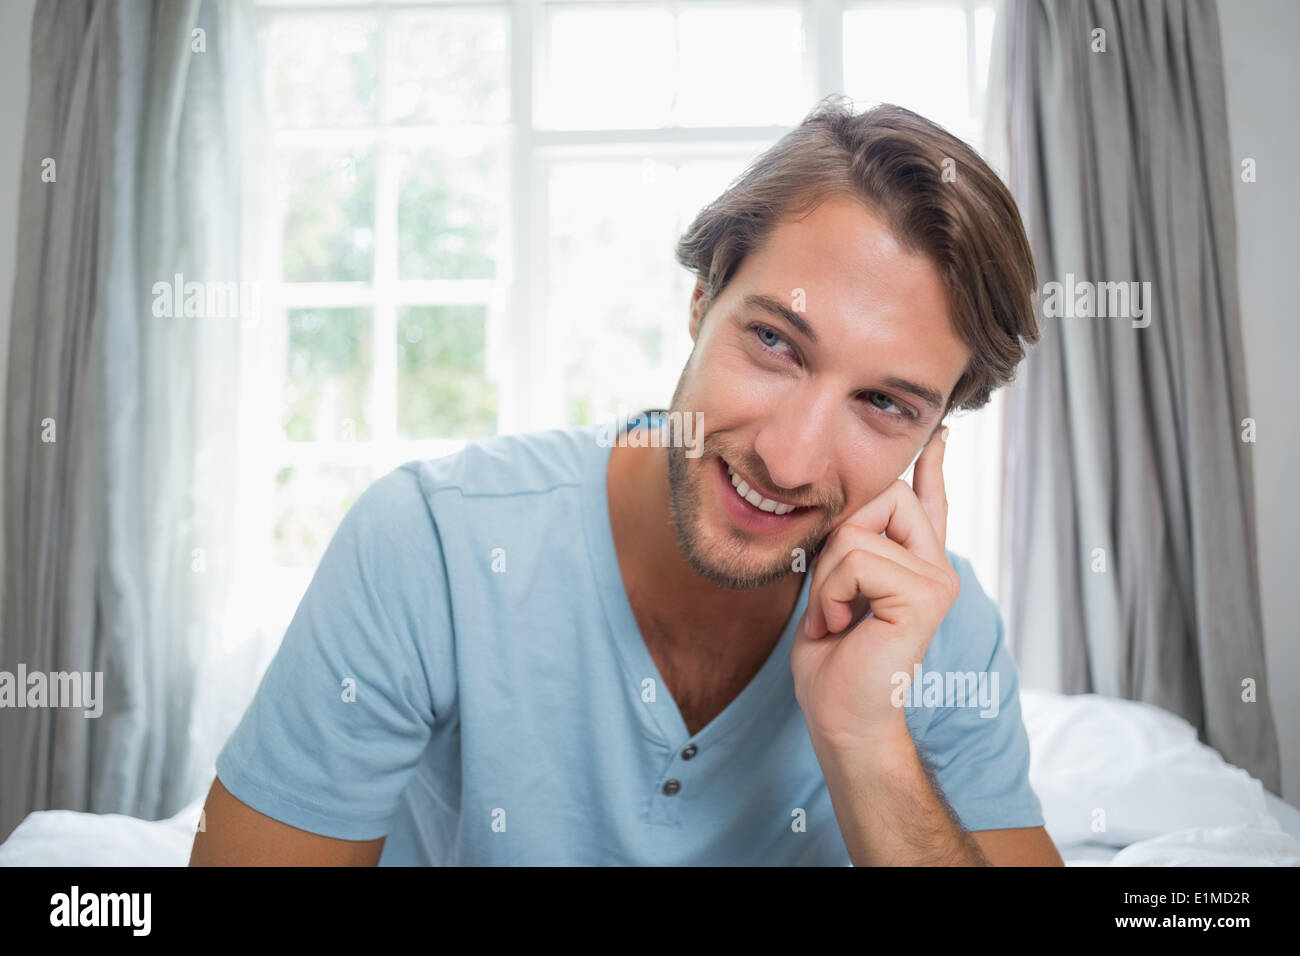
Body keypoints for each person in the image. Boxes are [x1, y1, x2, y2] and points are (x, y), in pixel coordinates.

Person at [190, 97, 1064, 866]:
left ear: (932, 440)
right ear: (701, 298)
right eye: (774, 343)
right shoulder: (429, 548)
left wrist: (866, 738)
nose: (790, 460)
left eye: (882, 403)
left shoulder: (930, 629)